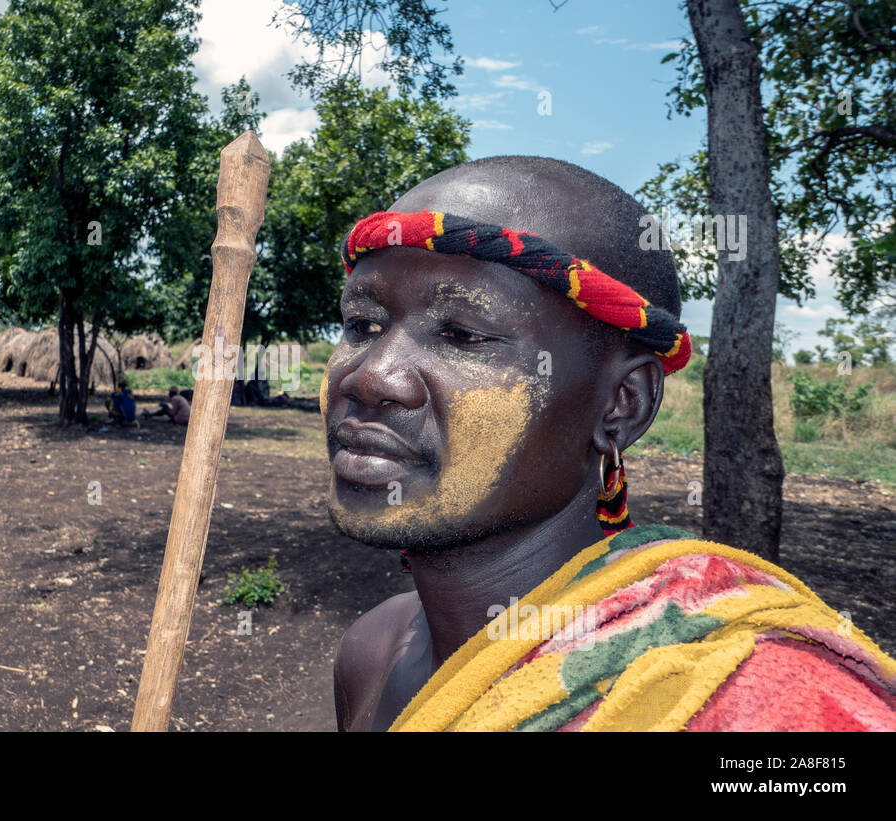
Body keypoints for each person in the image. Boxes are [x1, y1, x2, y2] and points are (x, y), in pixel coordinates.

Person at [328, 156, 896, 732]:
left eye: (462, 335)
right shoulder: (372, 652)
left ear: (622, 403)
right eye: (361, 325)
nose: (369, 376)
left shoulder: (751, 696)